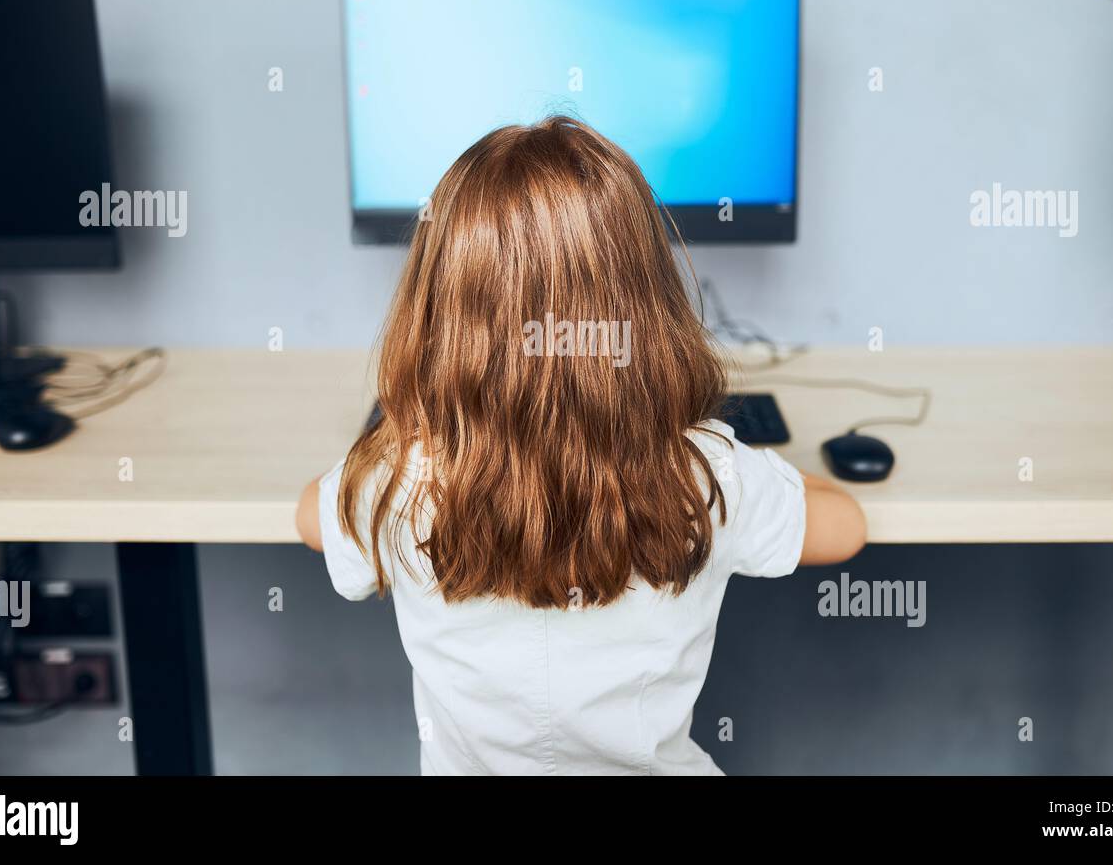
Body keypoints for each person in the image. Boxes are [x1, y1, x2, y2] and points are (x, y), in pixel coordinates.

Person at [297, 116, 866, 774]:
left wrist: (410, 429)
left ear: (441, 308)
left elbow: (313, 516)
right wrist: (761, 466)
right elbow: (844, 528)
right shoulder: (705, 475)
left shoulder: (399, 481)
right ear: (646, 299)